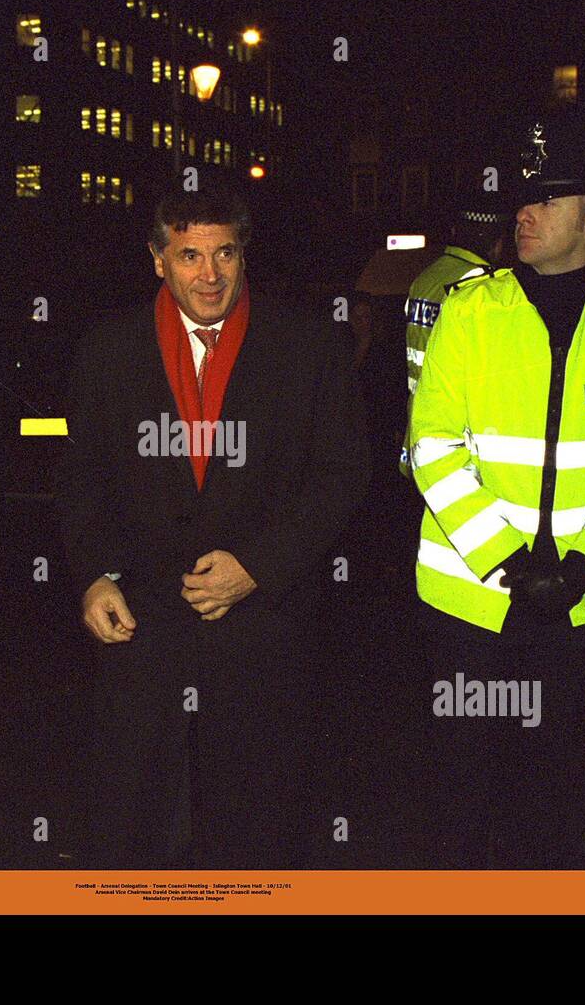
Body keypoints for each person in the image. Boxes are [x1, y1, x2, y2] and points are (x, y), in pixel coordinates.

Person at [55, 172, 371, 868]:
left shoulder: (308, 345)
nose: (209, 274)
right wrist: (95, 576)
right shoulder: (109, 350)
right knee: (137, 827)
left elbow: (343, 474)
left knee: (258, 831)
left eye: (225, 254)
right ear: (158, 258)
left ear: (244, 255)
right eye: (190, 255)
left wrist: (258, 566)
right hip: (143, 627)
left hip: (264, 632)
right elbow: (83, 479)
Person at [407, 110, 585, 866]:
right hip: (471, 606)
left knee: (552, 804)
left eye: (545, 200)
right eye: (522, 199)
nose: (522, 212)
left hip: (579, 613)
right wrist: (509, 561)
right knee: (459, 798)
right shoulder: (469, 310)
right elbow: (433, 446)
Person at [398, 172, 508, 480]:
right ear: (496, 241)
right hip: (458, 440)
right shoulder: (481, 287)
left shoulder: (425, 279)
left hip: (419, 431)